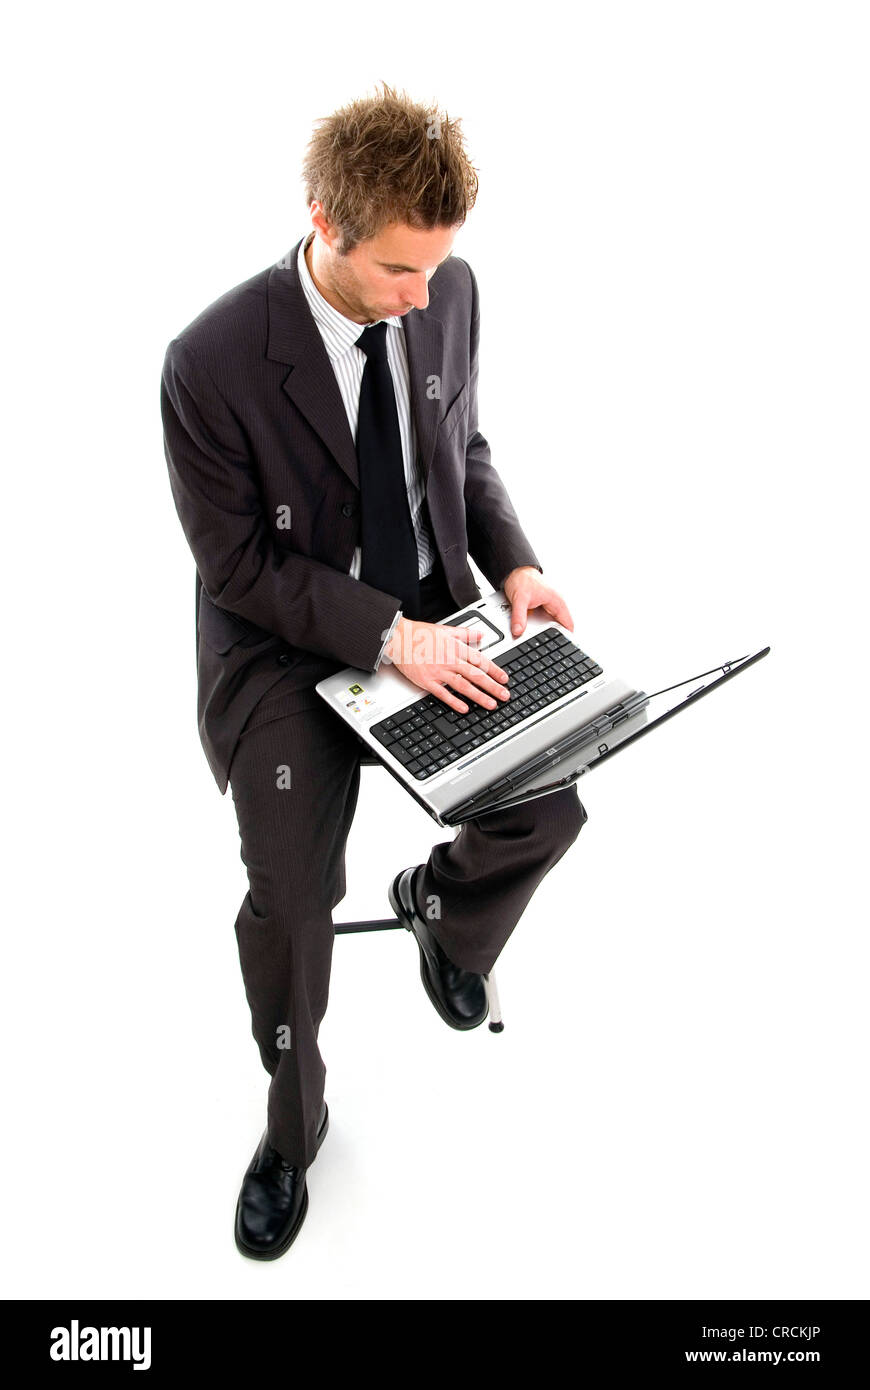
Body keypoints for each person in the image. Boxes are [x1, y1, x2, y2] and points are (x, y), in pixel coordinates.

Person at [160, 82, 588, 1262]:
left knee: (553, 801)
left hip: (437, 610)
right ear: (323, 221)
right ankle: (291, 1134)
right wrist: (387, 635)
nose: (421, 297)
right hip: (285, 647)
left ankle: (443, 916)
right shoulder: (207, 362)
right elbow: (238, 564)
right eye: (400, 273)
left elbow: (466, 445)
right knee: (292, 902)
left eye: (436, 271)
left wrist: (515, 564)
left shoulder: (448, 288)